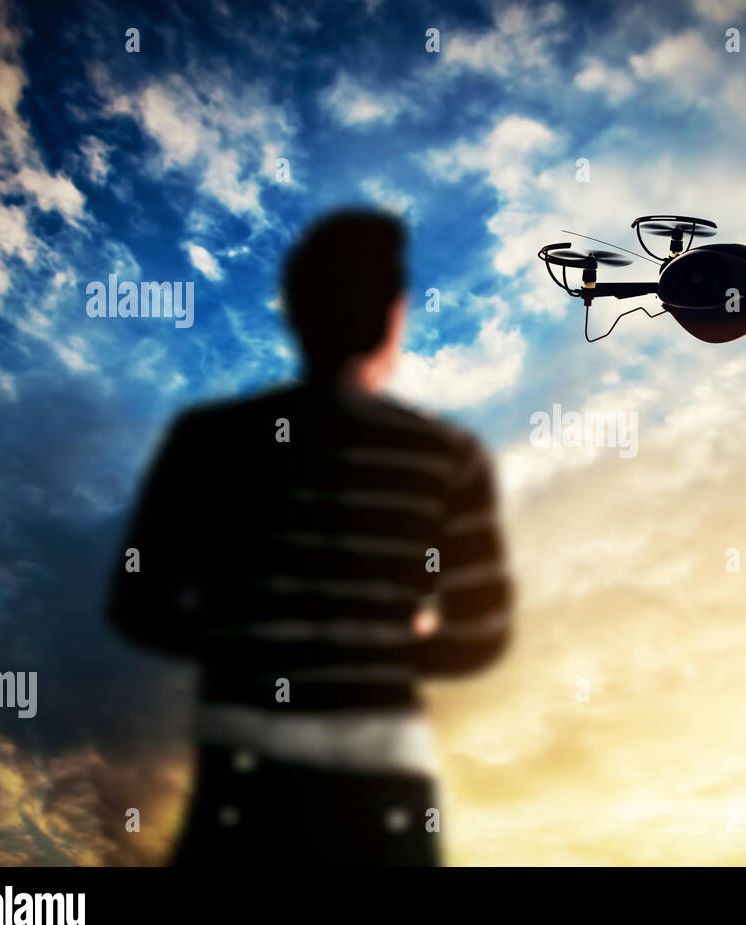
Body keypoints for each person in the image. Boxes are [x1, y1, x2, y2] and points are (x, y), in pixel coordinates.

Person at [106, 209, 512, 866]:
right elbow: (482, 635)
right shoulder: (448, 458)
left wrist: (247, 641)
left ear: (294, 309)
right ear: (393, 316)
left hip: (245, 778)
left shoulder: (209, 442)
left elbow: (137, 607)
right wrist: (379, 650)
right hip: (386, 783)